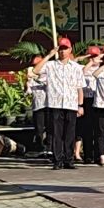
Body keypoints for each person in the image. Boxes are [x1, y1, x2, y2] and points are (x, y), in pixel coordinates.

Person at [40, 40, 86, 168]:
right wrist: (49, 55)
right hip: (55, 103)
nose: (62, 51)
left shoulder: (76, 67)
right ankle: (57, 160)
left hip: (71, 104)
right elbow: (36, 70)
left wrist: (80, 105)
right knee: (57, 133)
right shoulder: (51, 65)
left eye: (65, 48)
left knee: (70, 134)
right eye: (60, 48)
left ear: (70, 50)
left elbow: (80, 87)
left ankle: (69, 159)